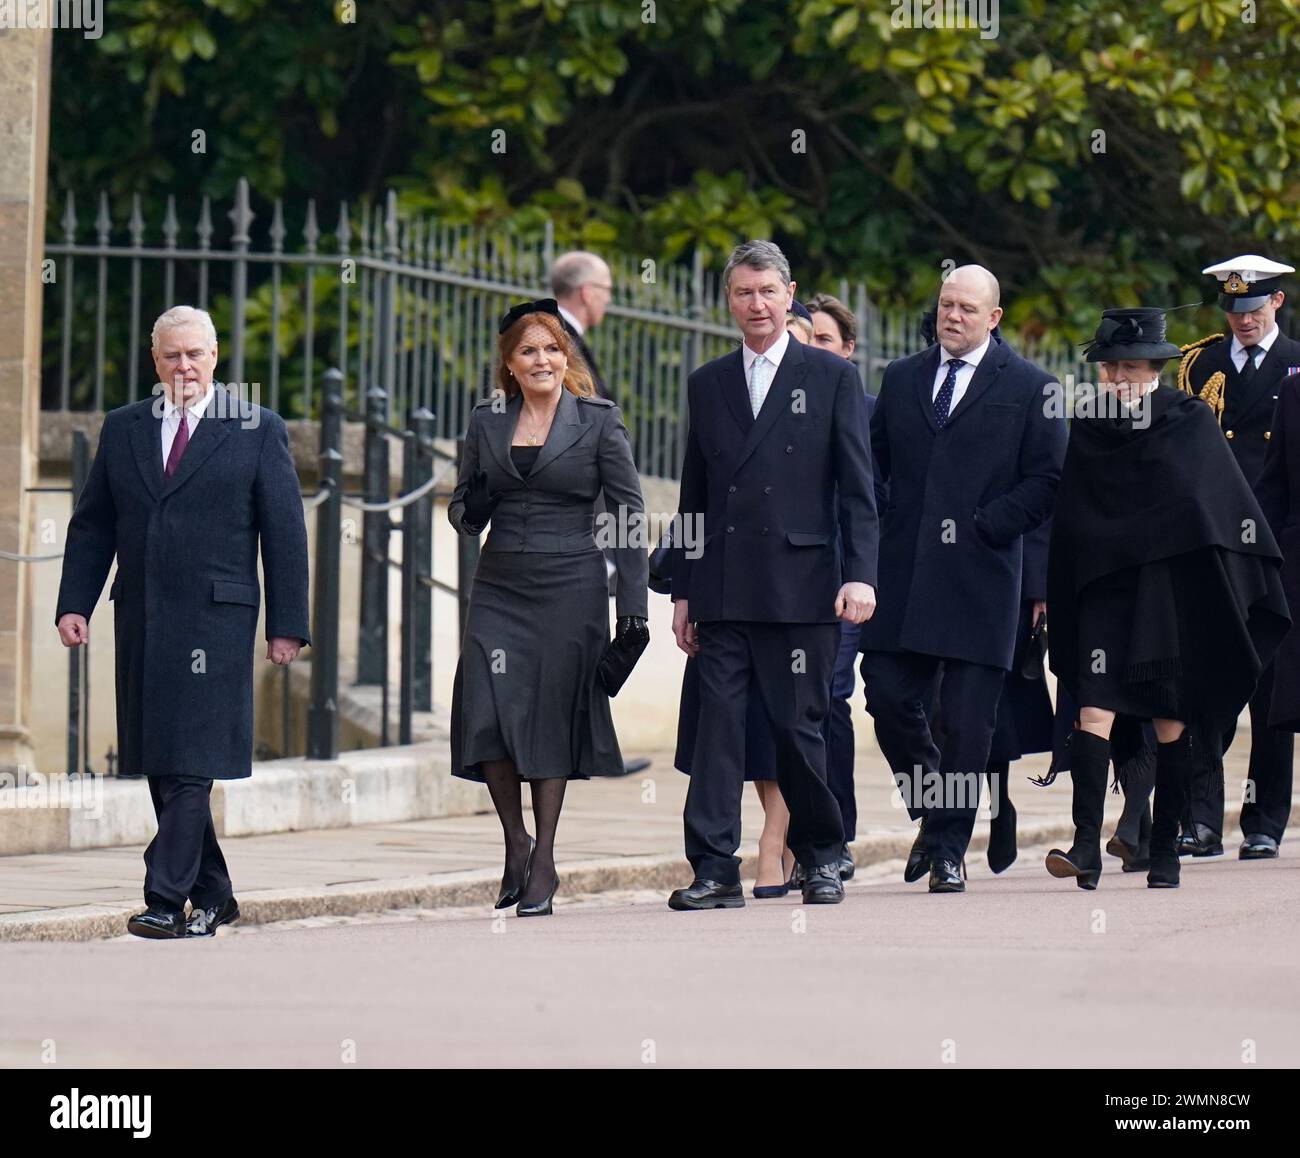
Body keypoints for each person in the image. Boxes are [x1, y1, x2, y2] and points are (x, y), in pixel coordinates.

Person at [54, 305, 310, 939]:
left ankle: (165, 899)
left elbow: (284, 534)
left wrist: (288, 624)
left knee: (192, 760)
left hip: (217, 621)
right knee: (164, 762)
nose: (184, 366)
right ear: (156, 362)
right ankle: (215, 894)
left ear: (215, 357)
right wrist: (73, 603)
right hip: (143, 616)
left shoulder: (256, 428)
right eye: (172, 355)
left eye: (194, 354)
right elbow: (94, 525)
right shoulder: (125, 428)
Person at [1045, 308, 1290, 890]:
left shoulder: (1189, 419)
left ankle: (1165, 849)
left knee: (1169, 720)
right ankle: (1085, 846)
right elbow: (1073, 514)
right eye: (1111, 368)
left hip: (1166, 592)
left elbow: (1213, 507)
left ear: (1156, 367)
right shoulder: (1089, 424)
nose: (1120, 378)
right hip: (1104, 587)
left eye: (1131, 367)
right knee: (1093, 707)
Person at [668, 240, 879, 910]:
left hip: (803, 585)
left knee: (798, 727)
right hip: (724, 587)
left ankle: (820, 856)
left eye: (767, 292)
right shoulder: (708, 383)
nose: (755, 305)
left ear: (789, 296)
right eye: (742, 293)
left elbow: (857, 489)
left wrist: (861, 576)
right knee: (718, 731)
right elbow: (694, 495)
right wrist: (681, 590)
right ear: (728, 301)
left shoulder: (831, 377)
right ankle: (713, 868)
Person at [860, 265, 1066, 893]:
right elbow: (873, 462)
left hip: (982, 579)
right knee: (887, 694)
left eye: (967, 309)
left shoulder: (1032, 387)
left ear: (994, 318)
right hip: (904, 575)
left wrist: (986, 524)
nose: (952, 316)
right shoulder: (901, 377)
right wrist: (893, 517)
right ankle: (935, 803)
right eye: (946, 305)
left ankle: (949, 849)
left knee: (970, 723)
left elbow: (1047, 481)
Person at [449, 298, 649, 917]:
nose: (543, 360)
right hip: (500, 581)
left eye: (553, 349)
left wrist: (634, 612)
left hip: (572, 585)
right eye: (529, 350)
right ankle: (516, 840)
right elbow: (461, 514)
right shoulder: (488, 420)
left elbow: (629, 514)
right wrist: (477, 498)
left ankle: (545, 860)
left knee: (550, 720)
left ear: (567, 357)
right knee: (488, 709)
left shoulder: (598, 420)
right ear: (509, 362)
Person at [1176, 256, 1300, 860]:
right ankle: (1201, 818)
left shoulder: (1297, 366)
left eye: (1252, 309)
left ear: (1275, 304)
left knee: (1273, 688)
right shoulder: (1200, 362)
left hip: (1274, 546)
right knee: (1207, 682)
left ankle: (1264, 818)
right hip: (1213, 538)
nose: (1242, 320)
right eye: (1232, 310)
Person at [804, 291, 878, 881]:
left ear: (848, 350)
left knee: (830, 695)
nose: (816, 350)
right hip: (786, 577)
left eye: (826, 340)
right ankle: (799, 836)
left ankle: (837, 835)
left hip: (845, 579)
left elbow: (878, 496)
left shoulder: (871, 408)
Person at [551, 251, 615, 401]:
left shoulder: (557, 333)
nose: (608, 299)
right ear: (587, 293)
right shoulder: (558, 338)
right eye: (606, 290)